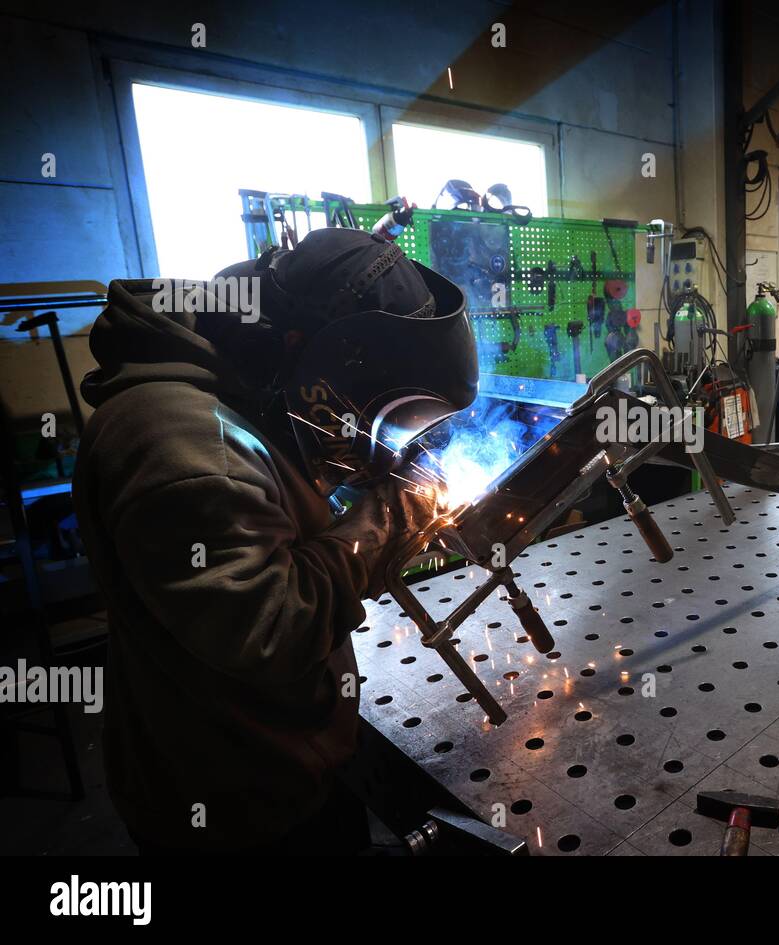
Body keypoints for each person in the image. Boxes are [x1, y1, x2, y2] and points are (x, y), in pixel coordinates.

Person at [72, 228, 478, 854]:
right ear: (299, 350)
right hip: (233, 805)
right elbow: (272, 626)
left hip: (284, 758)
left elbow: (267, 497)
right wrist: (395, 510)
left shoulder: (239, 384)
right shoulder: (179, 440)